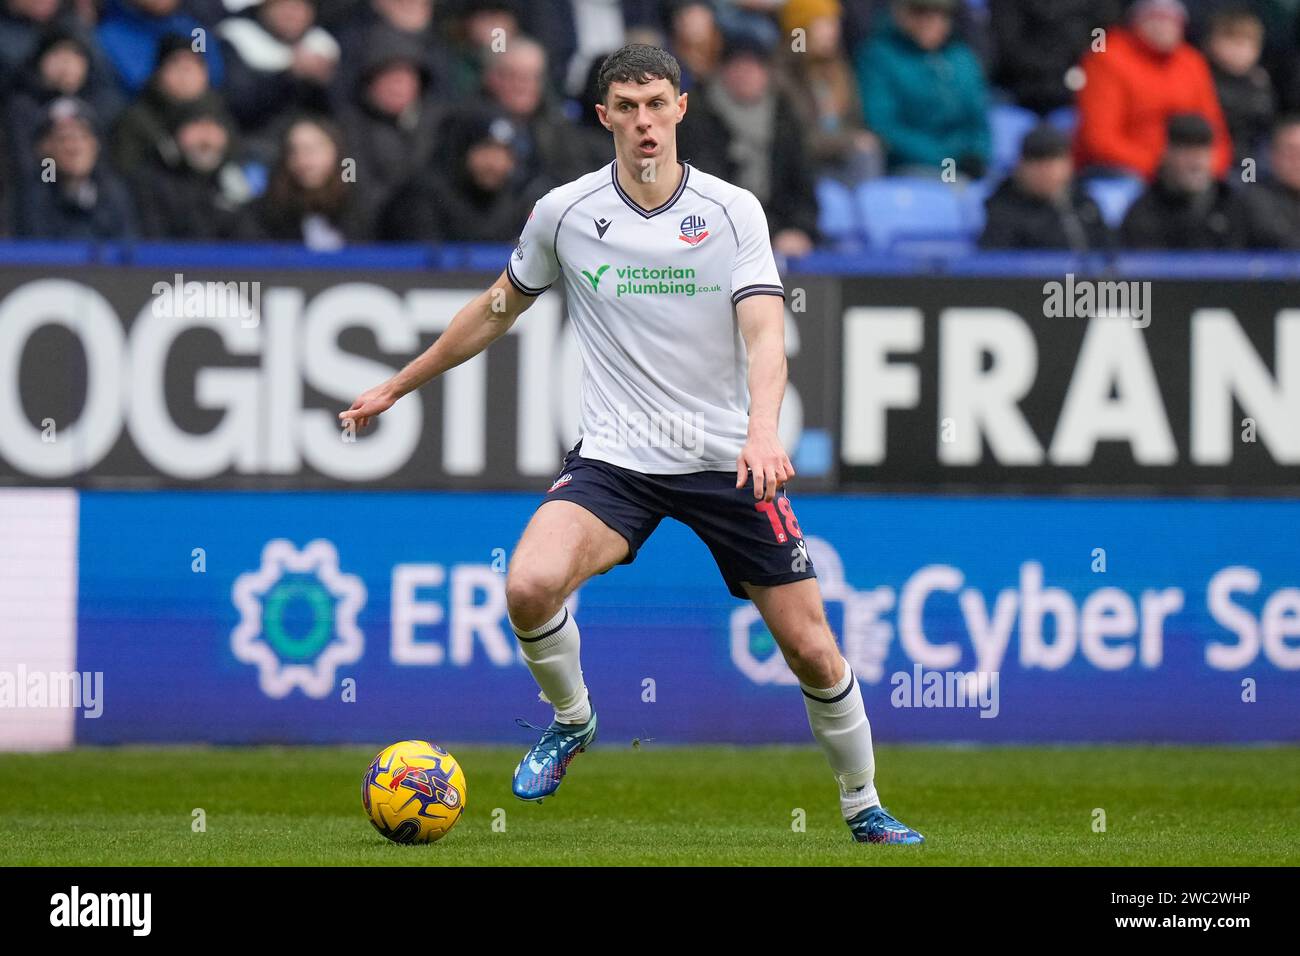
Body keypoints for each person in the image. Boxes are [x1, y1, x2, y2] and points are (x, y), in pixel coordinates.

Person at [339, 43, 925, 846]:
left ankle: (864, 805)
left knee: (815, 652)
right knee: (529, 584)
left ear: (681, 107)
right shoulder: (565, 213)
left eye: (657, 103)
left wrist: (761, 431)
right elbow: (495, 308)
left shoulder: (731, 212)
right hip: (619, 459)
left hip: (728, 461)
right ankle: (573, 720)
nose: (644, 121)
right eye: (628, 106)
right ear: (604, 116)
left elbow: (764, 334)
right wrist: (397, 384)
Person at [1074, 0, 1231, 180]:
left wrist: (1212, 166)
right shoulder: (1106, 59)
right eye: (1155, 18)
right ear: (1136, 21)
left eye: (1171, 19)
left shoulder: (1192, 62)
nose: (1164, 26)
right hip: (1123, 171)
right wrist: (1161, 169)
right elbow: (1098, 140)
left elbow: (1216, 131)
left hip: (1188, 171)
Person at [855, 0, 990, 178]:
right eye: (920, 12)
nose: (931, 21)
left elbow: (979, 120)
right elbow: (883, 125)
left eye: (941, 14)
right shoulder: (879, 56)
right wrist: (946, 158)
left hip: (964, 162)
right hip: (910, 164)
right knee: (952, 191)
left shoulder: (962, 57)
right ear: (899, 12)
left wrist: (978, 153)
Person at [1120, 112, 1263, 249]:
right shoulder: (1144, 213)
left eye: (1202, 153)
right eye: (1187, 154)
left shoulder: (1233, 205)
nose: (1196, 164)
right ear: (1167, 155)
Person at [16, 96, 137, 238]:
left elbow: (129, 250)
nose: (74, 148)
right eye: (63, 138)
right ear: (43, 148)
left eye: (82, 137)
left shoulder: (113, 192)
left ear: (96, 145)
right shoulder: (29, 197)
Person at [979, 123, 1111, 251]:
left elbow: (1111, 257)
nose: (1044, 171)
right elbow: (996, 263)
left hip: (1076, 274)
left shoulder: (1084, 205)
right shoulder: (1001, 207)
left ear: (1068, 164)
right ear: (1020, 166)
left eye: (1052, 161)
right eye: (1036, 161)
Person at [1203, 5, 1274, 170]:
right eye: (1232, 40)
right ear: (1211, 42)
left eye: (1248, 43)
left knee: (1251, 180)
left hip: (1250, 159)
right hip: (1213, 157)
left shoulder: (1260, 83)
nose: (1239, 49)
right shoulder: (1202, 76)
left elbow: (1265, 125)